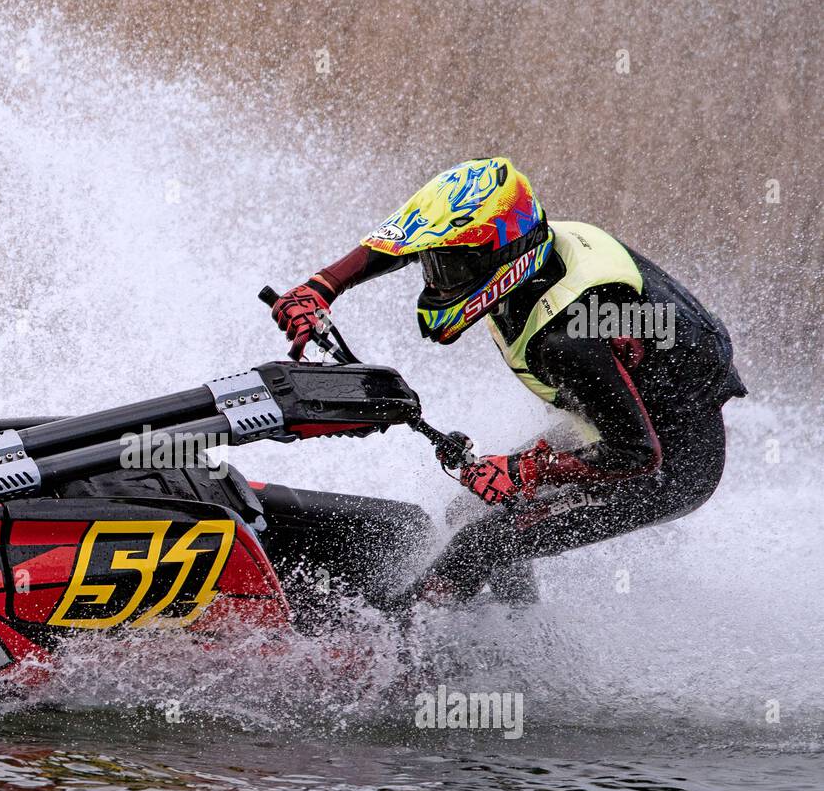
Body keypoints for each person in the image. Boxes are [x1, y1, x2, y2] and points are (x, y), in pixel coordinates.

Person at [270, 156, 746, 606]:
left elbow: (635, 454)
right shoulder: (526, 246)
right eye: (433, 264)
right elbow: (400, 241)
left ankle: (403, 647)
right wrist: (321, 288)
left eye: (451, 267)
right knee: (468, 510)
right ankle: (515, 630)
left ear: (504, 256)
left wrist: (523, 470)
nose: (437, 282)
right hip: (613, 420)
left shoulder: (565, 339)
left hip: (666, 465)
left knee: (481, 541)